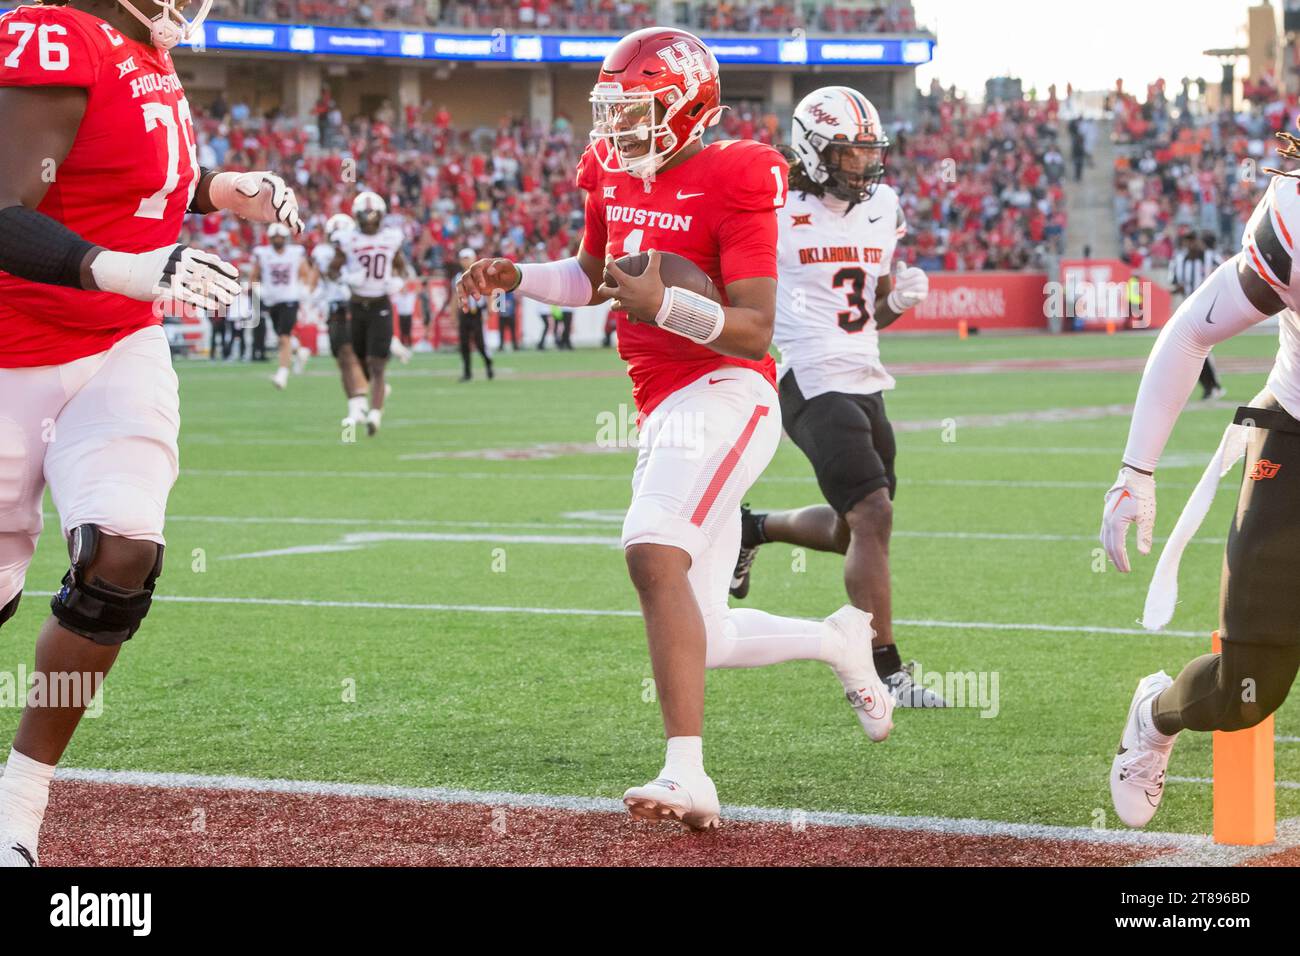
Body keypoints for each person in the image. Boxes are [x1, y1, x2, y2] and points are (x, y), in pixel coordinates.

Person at [457, 28, 892, 831]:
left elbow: (755, 330)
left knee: (652, 549)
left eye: (637, 110)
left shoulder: (735, 173)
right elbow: (593, 277)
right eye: (613, 111)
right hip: (663, 404)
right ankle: (837, 641)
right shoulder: (609, 172)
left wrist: (666, 306)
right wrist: (518, 276)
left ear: (688, 107)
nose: (619, 129)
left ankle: (686, 772)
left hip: (729, 391)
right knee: (710, 632)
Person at [0, 0, 302, 867]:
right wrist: (131, 269)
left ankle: (21, 801)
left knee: (120, 559)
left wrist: (220, 191)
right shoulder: (55, 35)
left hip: (115, 345)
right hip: (12, 349)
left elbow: (130, 176)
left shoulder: (145, 50)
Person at [1099, 135, 1300, 830]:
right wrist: (1136, 471)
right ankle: (1156, 713)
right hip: (1297, 440)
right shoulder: (1293, 226)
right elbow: (1190, 334)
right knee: (1247, 692)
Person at [729, 87, 946, 708]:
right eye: (849, 154)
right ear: (813, 151)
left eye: (868, 153)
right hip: (806, 376)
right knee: (874, 514)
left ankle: (755, 529)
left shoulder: (883, 205)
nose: (863, 166)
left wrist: (897, 303)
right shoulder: (769, 208)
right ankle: (880, 668)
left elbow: (869, 310)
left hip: (865, 375)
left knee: (860, 532)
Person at [330, 191, 409, 436]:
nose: (370, 222)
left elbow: (401, 268)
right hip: (357, 305)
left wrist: (399, 282)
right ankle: (379, 393)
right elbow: (332, 270)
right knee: (361, 359)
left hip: (380, 305)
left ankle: (375, 414)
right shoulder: (348, 239)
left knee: (378, 364)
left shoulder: (391, 238)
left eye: (373, 217)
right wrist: (345, 278)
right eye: (365, 217)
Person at [314, 212, 370, 426]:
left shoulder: (358, 250)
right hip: (334, 306)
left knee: (349, 352)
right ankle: (358, 400)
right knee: (341, 357)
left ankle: (360, 402)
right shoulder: (324, 253)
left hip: (353, 305)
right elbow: (327, 276)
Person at [249, 222, 313, 390]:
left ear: (286, 238)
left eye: (280, 237)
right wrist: (256, 292)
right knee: (282, 336)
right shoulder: (262, 254)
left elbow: (305, 273)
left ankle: (283, 373)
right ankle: (300, 352)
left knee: (284, 337)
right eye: (275, 237)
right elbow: (254, 275)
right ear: (270, 238)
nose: (278, 240)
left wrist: (304, 290)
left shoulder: (295, 253)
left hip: (290, 298)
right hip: (271, 299)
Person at [1167, 231, 1225, 400]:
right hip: (1189, 310)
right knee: (1195, 350)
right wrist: (1178, 288)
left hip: (1209, 309)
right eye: (1188, 242)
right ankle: (1211, 387)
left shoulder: (1211, 258)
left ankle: (1212, 387)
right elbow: (1174, 283)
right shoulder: (1179, 261)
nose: (1191, 245)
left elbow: (1225, 276)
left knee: (1197, 348)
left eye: (1194, 241)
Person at [450, 248, 494, 381]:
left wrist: (490, 308)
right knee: (463, 344)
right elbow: (454, 297)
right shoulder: (457, 277)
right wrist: (453, 315)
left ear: (474, 259)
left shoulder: (480, 274)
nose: (465, 261)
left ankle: (488, 364)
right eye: (463, 258)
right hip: (464, 312)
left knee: (480, 343)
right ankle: (467, 373)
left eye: (467, 258)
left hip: (477, 313)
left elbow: (489, 292)